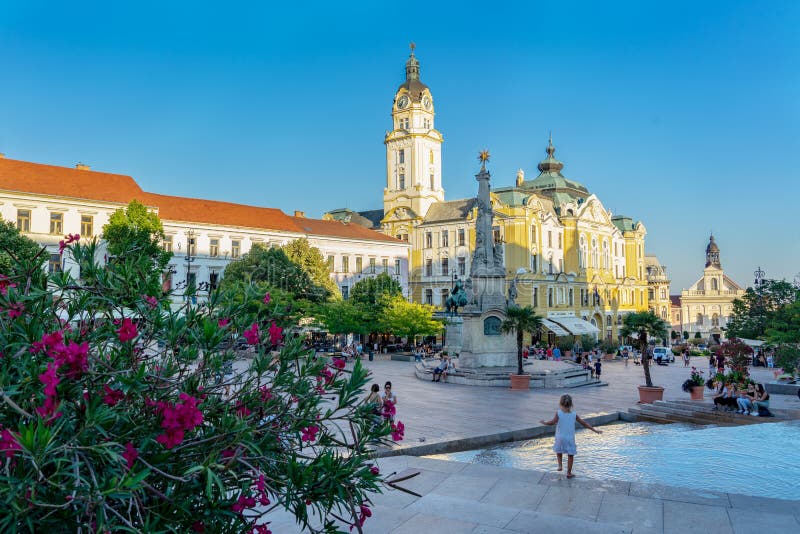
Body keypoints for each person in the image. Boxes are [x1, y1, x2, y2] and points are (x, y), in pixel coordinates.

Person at [539, 394, 602, 479]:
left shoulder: (558, 413)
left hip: (560, 437)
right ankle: (568, 473)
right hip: (570, 438)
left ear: (560, 404)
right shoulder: (574, 415)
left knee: (559, 451)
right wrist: (594, 430)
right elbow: (584, 423)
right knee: (570, 455)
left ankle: (560, 465)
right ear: (571, 405)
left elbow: (552, 422)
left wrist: (544, 422)